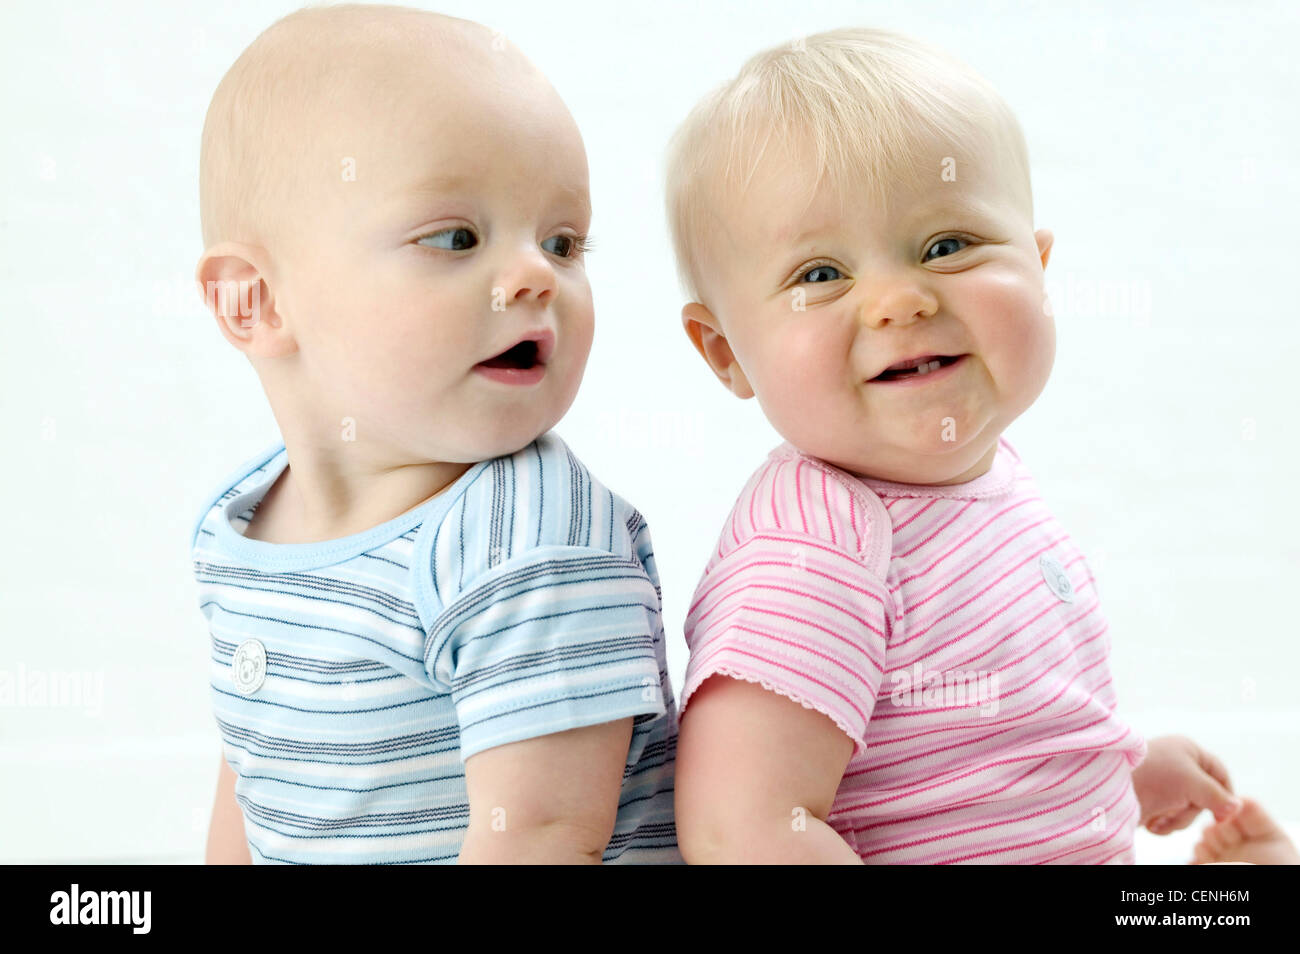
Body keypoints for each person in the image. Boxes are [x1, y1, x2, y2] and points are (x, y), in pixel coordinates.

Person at [663, 26, 1235, 864]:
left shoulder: (989, 478)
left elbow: (993, 733)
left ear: (1039, 269)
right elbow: (740, 827)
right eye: (820, 274)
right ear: (725, 351)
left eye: (947, 245)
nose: (899, 299)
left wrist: (1121, 774)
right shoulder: (818, 546)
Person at [191, 3, 679, 864]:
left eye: (563, 241)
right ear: (253, 303)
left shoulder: (528, 543)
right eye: (457, 237)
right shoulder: (239, 524)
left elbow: (540, 838)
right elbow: (254, 772)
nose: (535, 275)